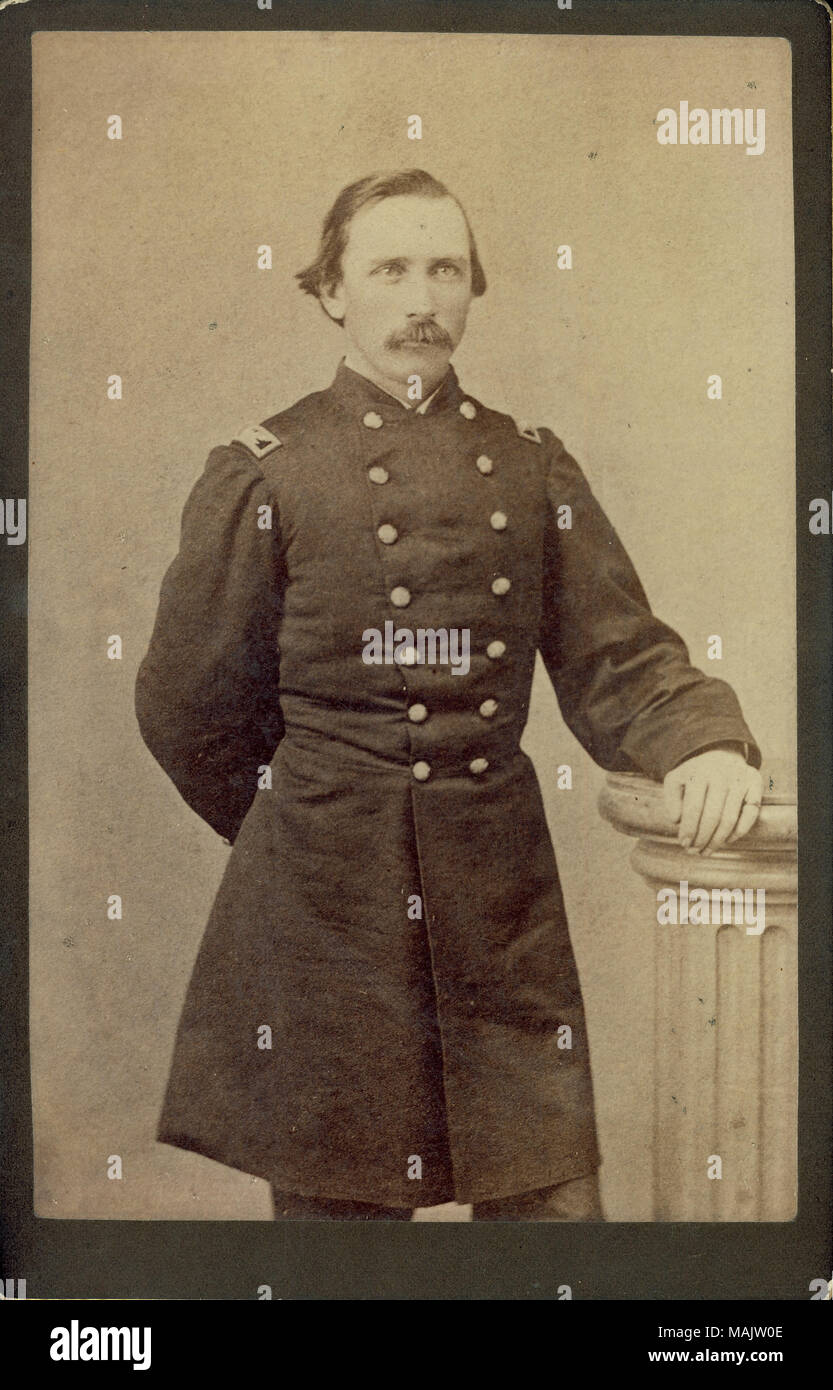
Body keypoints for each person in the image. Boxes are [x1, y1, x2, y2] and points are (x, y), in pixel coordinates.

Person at [135, 168, 763, 1221]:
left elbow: (619, 655)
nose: (420, 297)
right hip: (328, 916)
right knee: (339, 1242)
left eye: (445, 269)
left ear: (472, 291)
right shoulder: (267, 470)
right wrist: (298, 828)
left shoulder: (529, 467)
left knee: (551, 1221)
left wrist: (701, 743)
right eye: (389, 269)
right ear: (332, 291)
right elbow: (186, 702)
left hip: (498, 902)